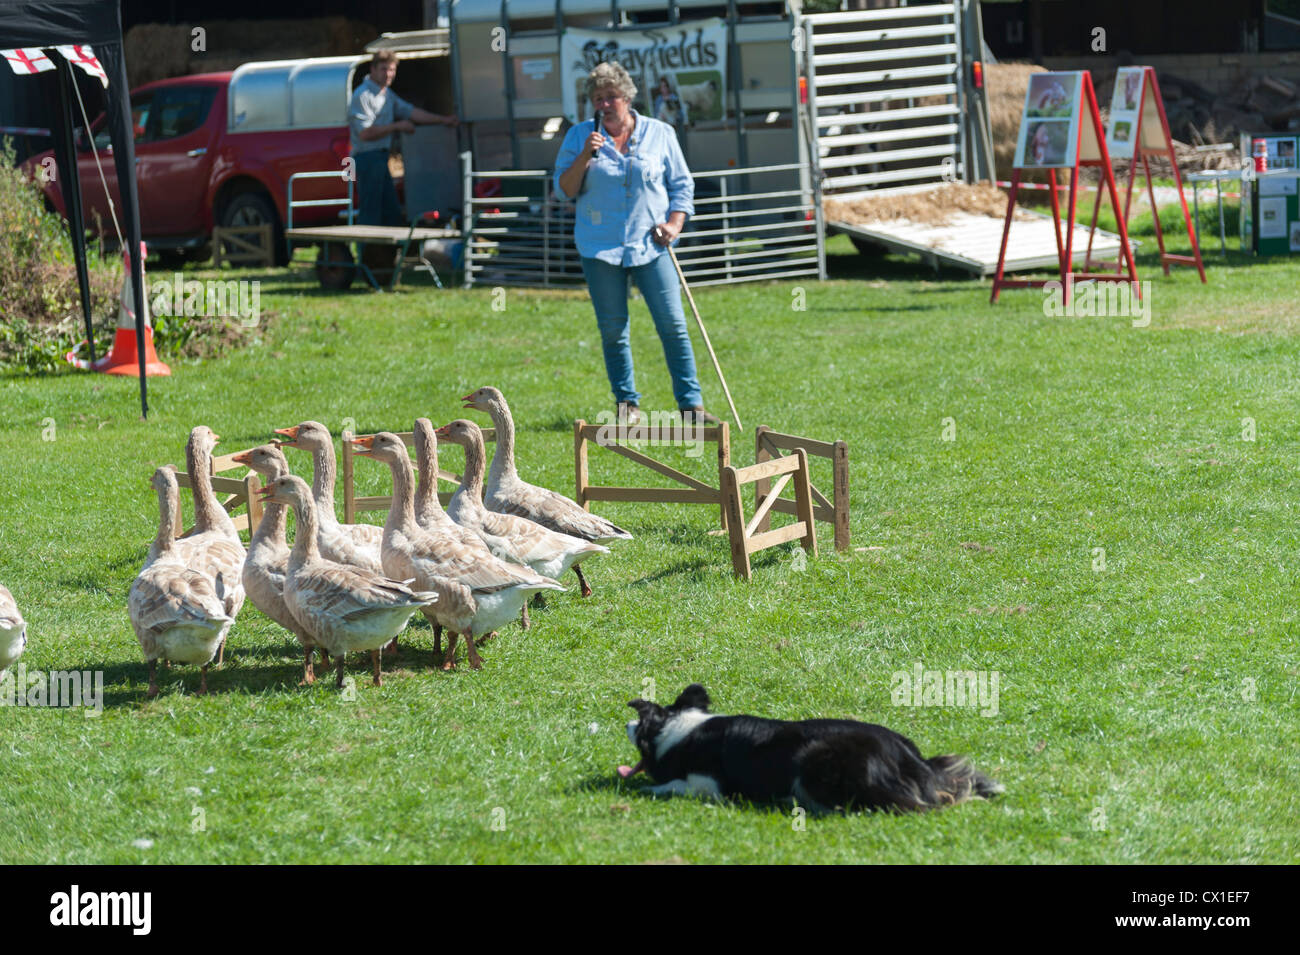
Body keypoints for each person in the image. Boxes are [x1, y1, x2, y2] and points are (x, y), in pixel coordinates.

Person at [554, 61, 717, 427]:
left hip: (651, 245)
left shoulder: (661, 133)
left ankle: (691, 406)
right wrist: (585, 155)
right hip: (600, 248)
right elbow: (564, 190)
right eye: (598, 98)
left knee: (673, 324)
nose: (606, 104)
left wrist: (675, 224)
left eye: (612, 96)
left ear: (627, 97)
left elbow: (682, 185)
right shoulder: (580, 136)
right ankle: (627, 404)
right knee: (613, 328)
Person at [348, 51, 457, 226]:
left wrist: (443, 120)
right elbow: (365, 133)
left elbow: (411, 112)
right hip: (367, 158)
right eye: (384, 69)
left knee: (391, 212)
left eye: (391, 70)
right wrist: (397, 126)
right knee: (371, 213)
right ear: (373, 69)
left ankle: (390, 252)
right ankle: (365, 252)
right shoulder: (363, 95)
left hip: (381, 158)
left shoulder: (387, 94)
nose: (388, 74)